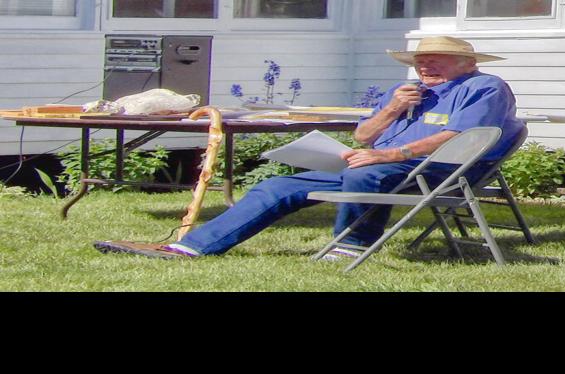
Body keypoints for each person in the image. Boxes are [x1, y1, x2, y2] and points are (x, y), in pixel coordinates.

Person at [95, 36, 526, 262]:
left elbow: (461, 139)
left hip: (437, 173)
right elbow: (362, 137)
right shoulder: (407, 90)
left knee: (364, 172)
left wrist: (388, 155)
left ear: (467, 64)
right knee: (280, 184)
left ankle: (353, 244)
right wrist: (392, 109)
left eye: (437, 60)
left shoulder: (483, 87)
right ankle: (189, 248)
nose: (425, 65)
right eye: (421, 60)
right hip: (379, 165)